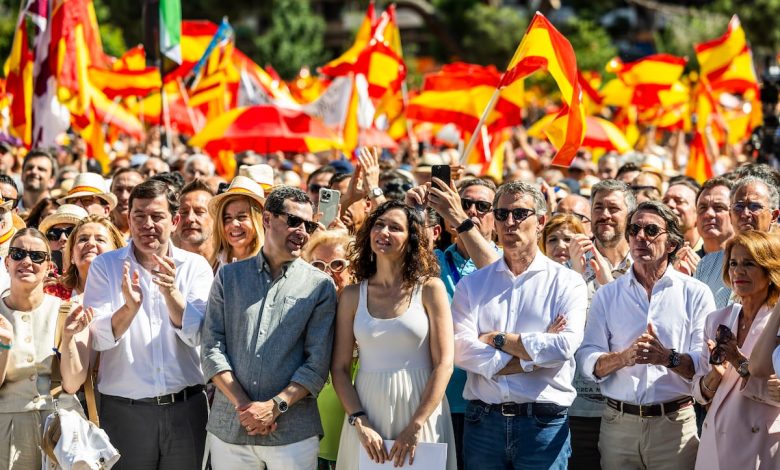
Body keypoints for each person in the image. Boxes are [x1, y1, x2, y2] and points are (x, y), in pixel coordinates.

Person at [453, 181, 588, 470]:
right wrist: (531, 360)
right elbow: (460, 350)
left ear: (540, 221)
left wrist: (496, 338)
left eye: (519, 214)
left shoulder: (567, 282)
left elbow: (562, 348)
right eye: (501, 215)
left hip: (543, 424)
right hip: (483, 421)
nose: (509, 223)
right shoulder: (473, 284)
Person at [202, 186, 337, 470]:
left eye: (309, 224)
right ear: (267, 219)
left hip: (292, 432)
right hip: (231, 430)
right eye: (293, 221)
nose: (302, 230)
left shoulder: (320, 285)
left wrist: (274, 407)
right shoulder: (229, 276)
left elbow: (317, 363)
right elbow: (212, 347)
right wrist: (245, 407)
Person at [83, 179, 214, 470]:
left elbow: (197, 335)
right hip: (124, 412)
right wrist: (129, 309)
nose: (147, 224)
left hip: (186, 410)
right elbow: (99, 338)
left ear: (175, 220)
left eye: (157, 216)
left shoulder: (195, 267)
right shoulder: (105, 266)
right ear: (128, 219)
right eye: (139, 216)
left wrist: (171, 293)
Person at [577, 200, 716, 470]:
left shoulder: (695, 293)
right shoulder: (608, 294)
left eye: (651, 230)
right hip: (618, 425)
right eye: (634, 229)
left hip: (675, 424)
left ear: (672, 244)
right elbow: (586, 357)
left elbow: (705, 365)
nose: (641, 237)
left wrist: (667, 358)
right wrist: (623, 357)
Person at [333, 200, 456, 470]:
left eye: (395, 227)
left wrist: (417, 424)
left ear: (411, 239)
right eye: (379, 224)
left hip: (421, 408)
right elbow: (340, 369)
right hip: (367, 410)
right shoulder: (352, 295)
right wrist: (359, 421)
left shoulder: (430, 288)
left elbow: (445, 363)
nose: (384, 232)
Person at [692, 231, 780, 469]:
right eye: (733, 263)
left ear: (769, 270)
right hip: (714, 445)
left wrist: (738, 361)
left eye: (749, 263)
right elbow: (697, 391)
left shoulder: (776, 322)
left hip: (758, 448)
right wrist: (713, 377)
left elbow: (775, 394)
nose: (738, 271)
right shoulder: (716, 319)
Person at [0, 229, 80, 469]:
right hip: (7, 428)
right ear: (7, 262)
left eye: (36, 256)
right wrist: (4, 347)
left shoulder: (65, 311)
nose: (26, 261)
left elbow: (73, 383)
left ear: (49, 266)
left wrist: (68, 338)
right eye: (18, 253)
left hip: (58, 427)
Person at [302, 230, 354, 470]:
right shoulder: (300, 315)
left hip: (354, 433)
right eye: (318, 265)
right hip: (308, 436)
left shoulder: (367, 314)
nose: (327, 272)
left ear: (353, 268)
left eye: (336, 264)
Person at [695, 176, 780, 308]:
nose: (745, 213)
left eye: (754, 206)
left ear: (774, 216)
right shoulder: (706, 265)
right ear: (730, 214)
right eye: (739, 206)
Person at [46, 215, 125, 301]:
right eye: (83, 239)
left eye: (100, 240)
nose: (90, 243)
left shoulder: (132, 292)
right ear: (72, 255)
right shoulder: (51, 294)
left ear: (116, 251)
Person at [208, 176, 266, 269]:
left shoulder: (270, 264)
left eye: (242, 217)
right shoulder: (214, 262)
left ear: (259, 220)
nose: (234, 224)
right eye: (227, 218)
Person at [173, 180, 216, 269]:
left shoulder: (232, 263)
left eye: (199, 212)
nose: (190, 218)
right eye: (184, 212)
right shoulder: (165, 264)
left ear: (216, 218)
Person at [695, 177, 734, 258]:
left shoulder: (752, 262)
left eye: (719, 207)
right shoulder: (683, 266)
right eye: (703, 208)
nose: (708, 214)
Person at [109, 168, 143, 239]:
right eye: (118, 190)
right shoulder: (101, 232)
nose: (124, 196)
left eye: (131, 190)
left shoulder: (152, 233)